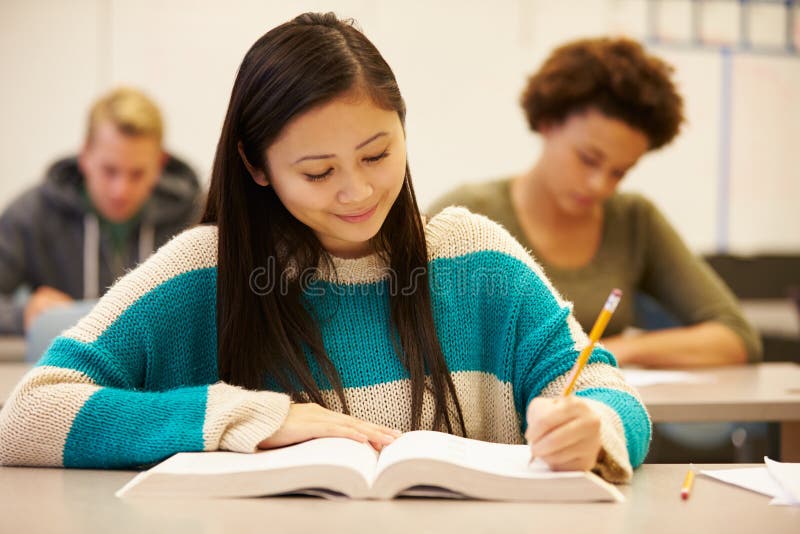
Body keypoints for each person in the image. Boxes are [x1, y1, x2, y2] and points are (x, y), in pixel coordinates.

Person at [0, 13, 649, 483]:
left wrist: (597, 425)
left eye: (378, 153)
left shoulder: (479, 259)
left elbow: (607, 388)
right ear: (256, 166)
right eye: (317, 172)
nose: (357, 190)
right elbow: (26, 418)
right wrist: (247, 418)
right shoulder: (206, 271)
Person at [429, 37, 761, 368]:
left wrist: (611, 350)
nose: (599, 185)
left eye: (619, 172)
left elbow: (735, 338)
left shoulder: (634, 220)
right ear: (547, 123)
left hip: (605, 414)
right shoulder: (466, 215)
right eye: (588, 159)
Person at [0, 87, 203, 336]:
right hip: (68, 368)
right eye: (109, 171)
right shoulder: (32, 214)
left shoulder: (198, 218)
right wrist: (24, 314)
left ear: (160, 165)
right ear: (85, 156)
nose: (121, 191)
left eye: (137, 174)